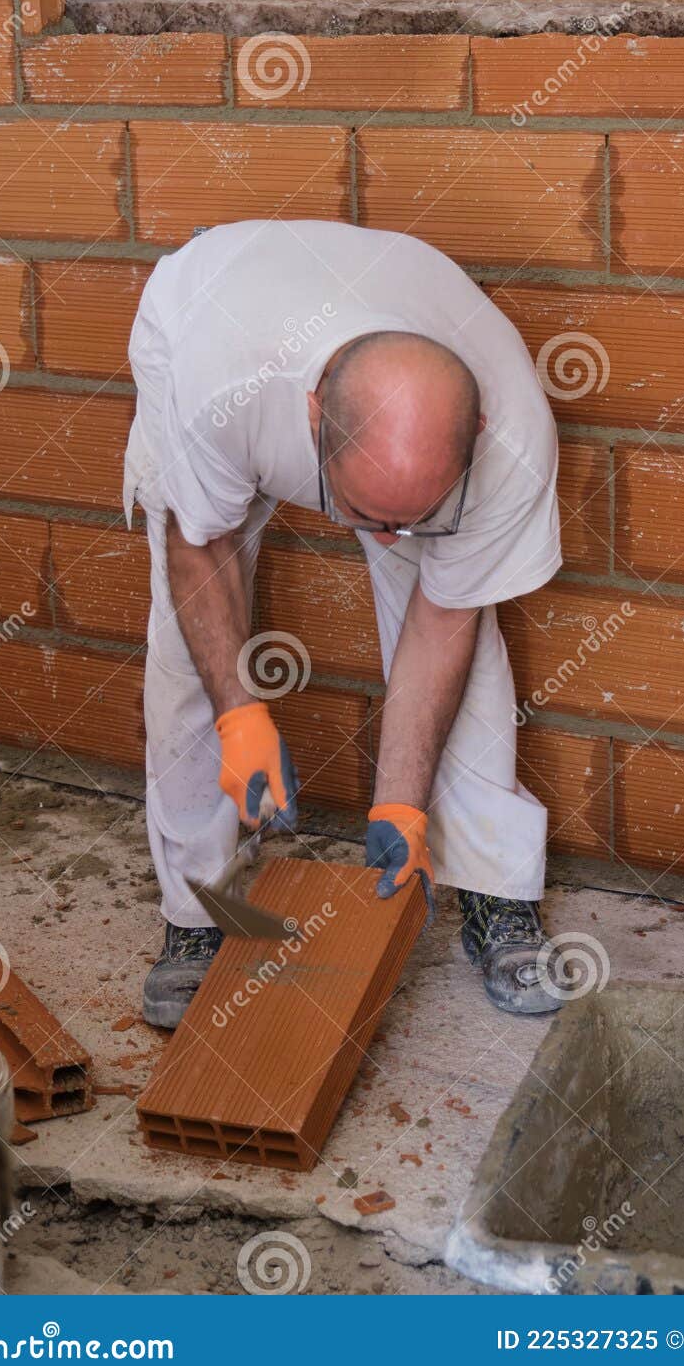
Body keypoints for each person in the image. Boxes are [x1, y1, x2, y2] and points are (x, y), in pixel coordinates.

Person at [123, 219, 563, 1029]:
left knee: (465, 622)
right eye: (367, 515)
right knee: (185, 642)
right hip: (210, 315)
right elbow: (199, 549)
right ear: (315, 414)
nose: (388, 538)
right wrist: (239, 712)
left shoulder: (514, 440)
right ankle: (197, 910)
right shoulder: (221, 386)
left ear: (472, 438)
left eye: (413, 514)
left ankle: (494, 890)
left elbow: (445, 619)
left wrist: (399, 806)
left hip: (378, 376)